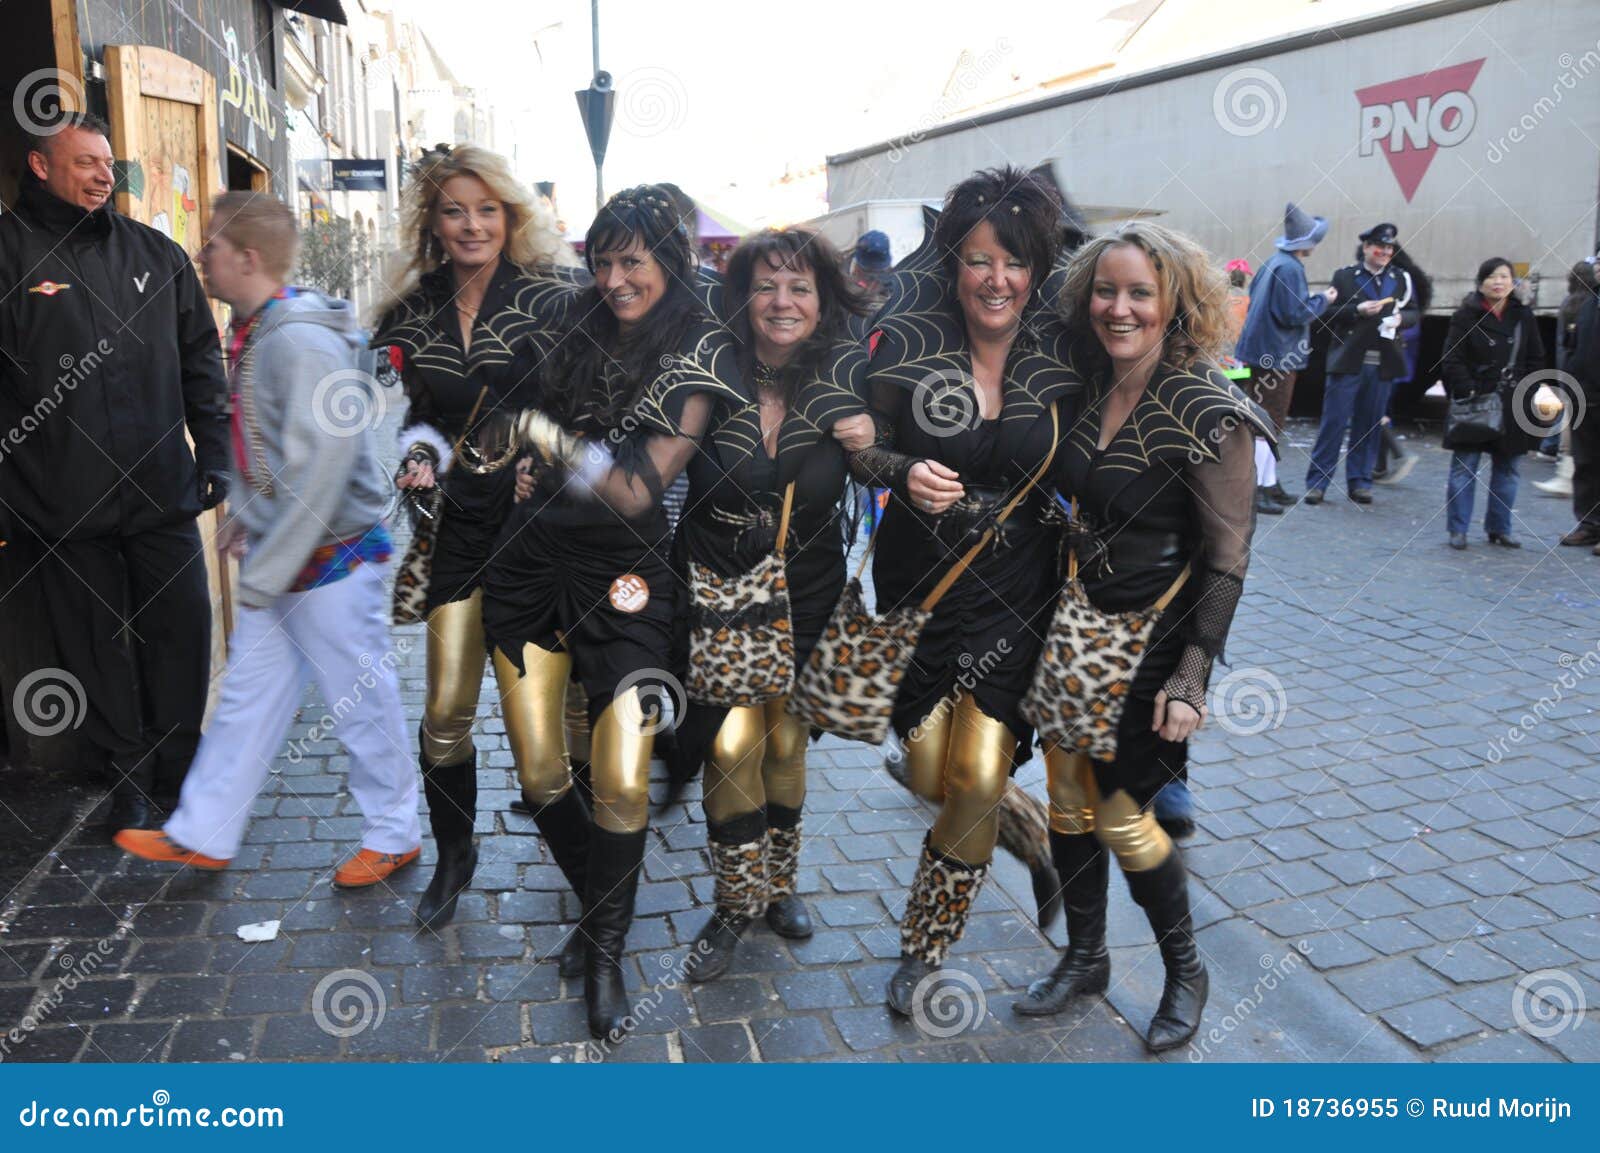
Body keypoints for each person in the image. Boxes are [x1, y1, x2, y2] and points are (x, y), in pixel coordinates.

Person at [483, 185, 742, 1040]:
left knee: (624, 778)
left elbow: (634, 490)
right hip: (528, 567)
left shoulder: (700, 346)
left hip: (628, 581)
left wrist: (544, 440)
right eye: (603, 260)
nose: (615, 277)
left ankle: (605, 956)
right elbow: (516, 423)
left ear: (670, 259)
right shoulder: (573, 323)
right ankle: (600, 912)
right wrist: (526, 448)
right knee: (540, 777)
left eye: (634, 260)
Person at [115, 194, 420, 882]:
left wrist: (266, 563)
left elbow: (321, 467)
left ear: (247, 258)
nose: (202, 256)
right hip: (291, 554)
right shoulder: (263, 328)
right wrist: (250, 516)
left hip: (333, 557)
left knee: (360, 701)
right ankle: (203, 829)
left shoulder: (296, 340)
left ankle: (395, 833)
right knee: (249, 700)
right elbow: (274, 446)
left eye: (214, 245)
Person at [1015, 222, 1267, 1053]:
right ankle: (1086, 956)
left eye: (1139, 294)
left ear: (1176, 303)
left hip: (1154, 643)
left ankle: (1185, 971)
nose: (1118, 308)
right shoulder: (1088, 387)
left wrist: (1192, 677)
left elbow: (1227, 559)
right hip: (1074, 632)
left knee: (1125, 816)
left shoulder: (1207, 407)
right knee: (1068, 802)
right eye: (1106, 290)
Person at [852, 167, 1078, 1016]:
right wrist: (902, 469)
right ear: (954, 263)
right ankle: (1027, 830)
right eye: (980, 259)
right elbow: (861, 448)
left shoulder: (1062, 353)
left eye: (1015, 263)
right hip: (920, 582)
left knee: (976, 773)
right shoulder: (911, 344)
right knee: (925, 766)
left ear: (1036, 269)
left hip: (1019, 587)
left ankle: (924, 945)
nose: (997, 280)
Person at [0, 112, 229, 835]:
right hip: (62, 504)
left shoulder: (154, 253)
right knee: (96, 647)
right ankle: (129, 777)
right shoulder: (8, 255)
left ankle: (180, 770)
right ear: (41, 166)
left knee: (182, 629)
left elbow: (201, 361)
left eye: (108, 163)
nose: (104, 176)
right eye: (85, 163)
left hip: (162, 490)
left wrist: (216, 453)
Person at [370, 145, 577, 931]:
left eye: (487, 209)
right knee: (445, 710)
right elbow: (423, 415)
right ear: (432, 220)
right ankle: (454, 857)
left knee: (546, 732)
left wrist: (547, 466)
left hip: (538, 532)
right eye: (454, 210)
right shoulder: (414, 308)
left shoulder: (557, 298)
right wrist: (419, 455)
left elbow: (589, 411)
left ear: (511, 215)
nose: (472, 225)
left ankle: (594, 879)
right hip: (458, 527)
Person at [668, 228, 875, 979]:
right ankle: (734, 901)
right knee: (730, 745)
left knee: (786, 744)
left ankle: (779, 884)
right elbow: (660, 465)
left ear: (823, 301)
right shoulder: (708, 367)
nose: (782, 301)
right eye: (766, 285)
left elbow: (886, 461)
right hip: (717, 584)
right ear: (743, 296)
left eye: (799, 287)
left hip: (808, 585)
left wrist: (873, 441)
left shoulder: (848, 371)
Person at [1304, 222, 1418, 506]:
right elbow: (1327, 313)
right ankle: (1317, 483)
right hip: (1348, 361)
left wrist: (1401, 319)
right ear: (1366, 247)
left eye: (1389, 248)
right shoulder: (1345, 276)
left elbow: (1414, 312)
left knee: (1368, 426)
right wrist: (1357, 310)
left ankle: (1360, 482)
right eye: (1380, 247)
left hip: (1382, 363)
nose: (1385, 252)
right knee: (1333, 424)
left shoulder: (1400, 278)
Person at [1234, 202, 1335, 511]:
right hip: (1277, 356)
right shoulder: (1290, 268)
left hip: (1263, 352)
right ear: (1308, 242)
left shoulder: (1274, 263)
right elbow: (1294, 313)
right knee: (1268, 423)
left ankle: (1269, 483)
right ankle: (1257, 490)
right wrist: (1324, 299)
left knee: (1267, 421)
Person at [1441, 258, 1547, 550]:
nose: (1498, 282)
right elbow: (1451, 359)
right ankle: (1458, 529)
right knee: (1465, 467)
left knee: (1508, 468)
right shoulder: (1465, 315)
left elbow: (1536, 358)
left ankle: (1500, 527)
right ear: (1481, 282)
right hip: (1475, 400)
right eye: (1491, 277)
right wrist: (1468, 389)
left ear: (1512, 282)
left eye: (1504, 276)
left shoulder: (1523, 315)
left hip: (1512, 401)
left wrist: (1528, 390)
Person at [850, 229, 894, 300]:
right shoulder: (844, 274)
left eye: (880, 271)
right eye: (869, 270)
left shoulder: (889, 277)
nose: (875, 275)